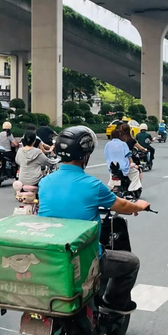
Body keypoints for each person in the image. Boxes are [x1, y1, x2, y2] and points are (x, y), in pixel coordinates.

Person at [38, 126, 150, 314]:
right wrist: (138, 206)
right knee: (131, 263)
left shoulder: (45, 182)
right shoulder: (92, 186)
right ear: (85, 155)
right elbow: (122, 206)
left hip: (50, 253)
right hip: (85, 258)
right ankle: (112, 304)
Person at [104, 126, 142, 191]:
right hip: (123, 168)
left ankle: (114, 187)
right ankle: (132, 189)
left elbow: (106, 155)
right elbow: (128, 155)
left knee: (112, 175)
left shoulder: (107, 144)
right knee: (135, 173)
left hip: (112, 167)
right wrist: (133, 164)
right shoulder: (123, 144)